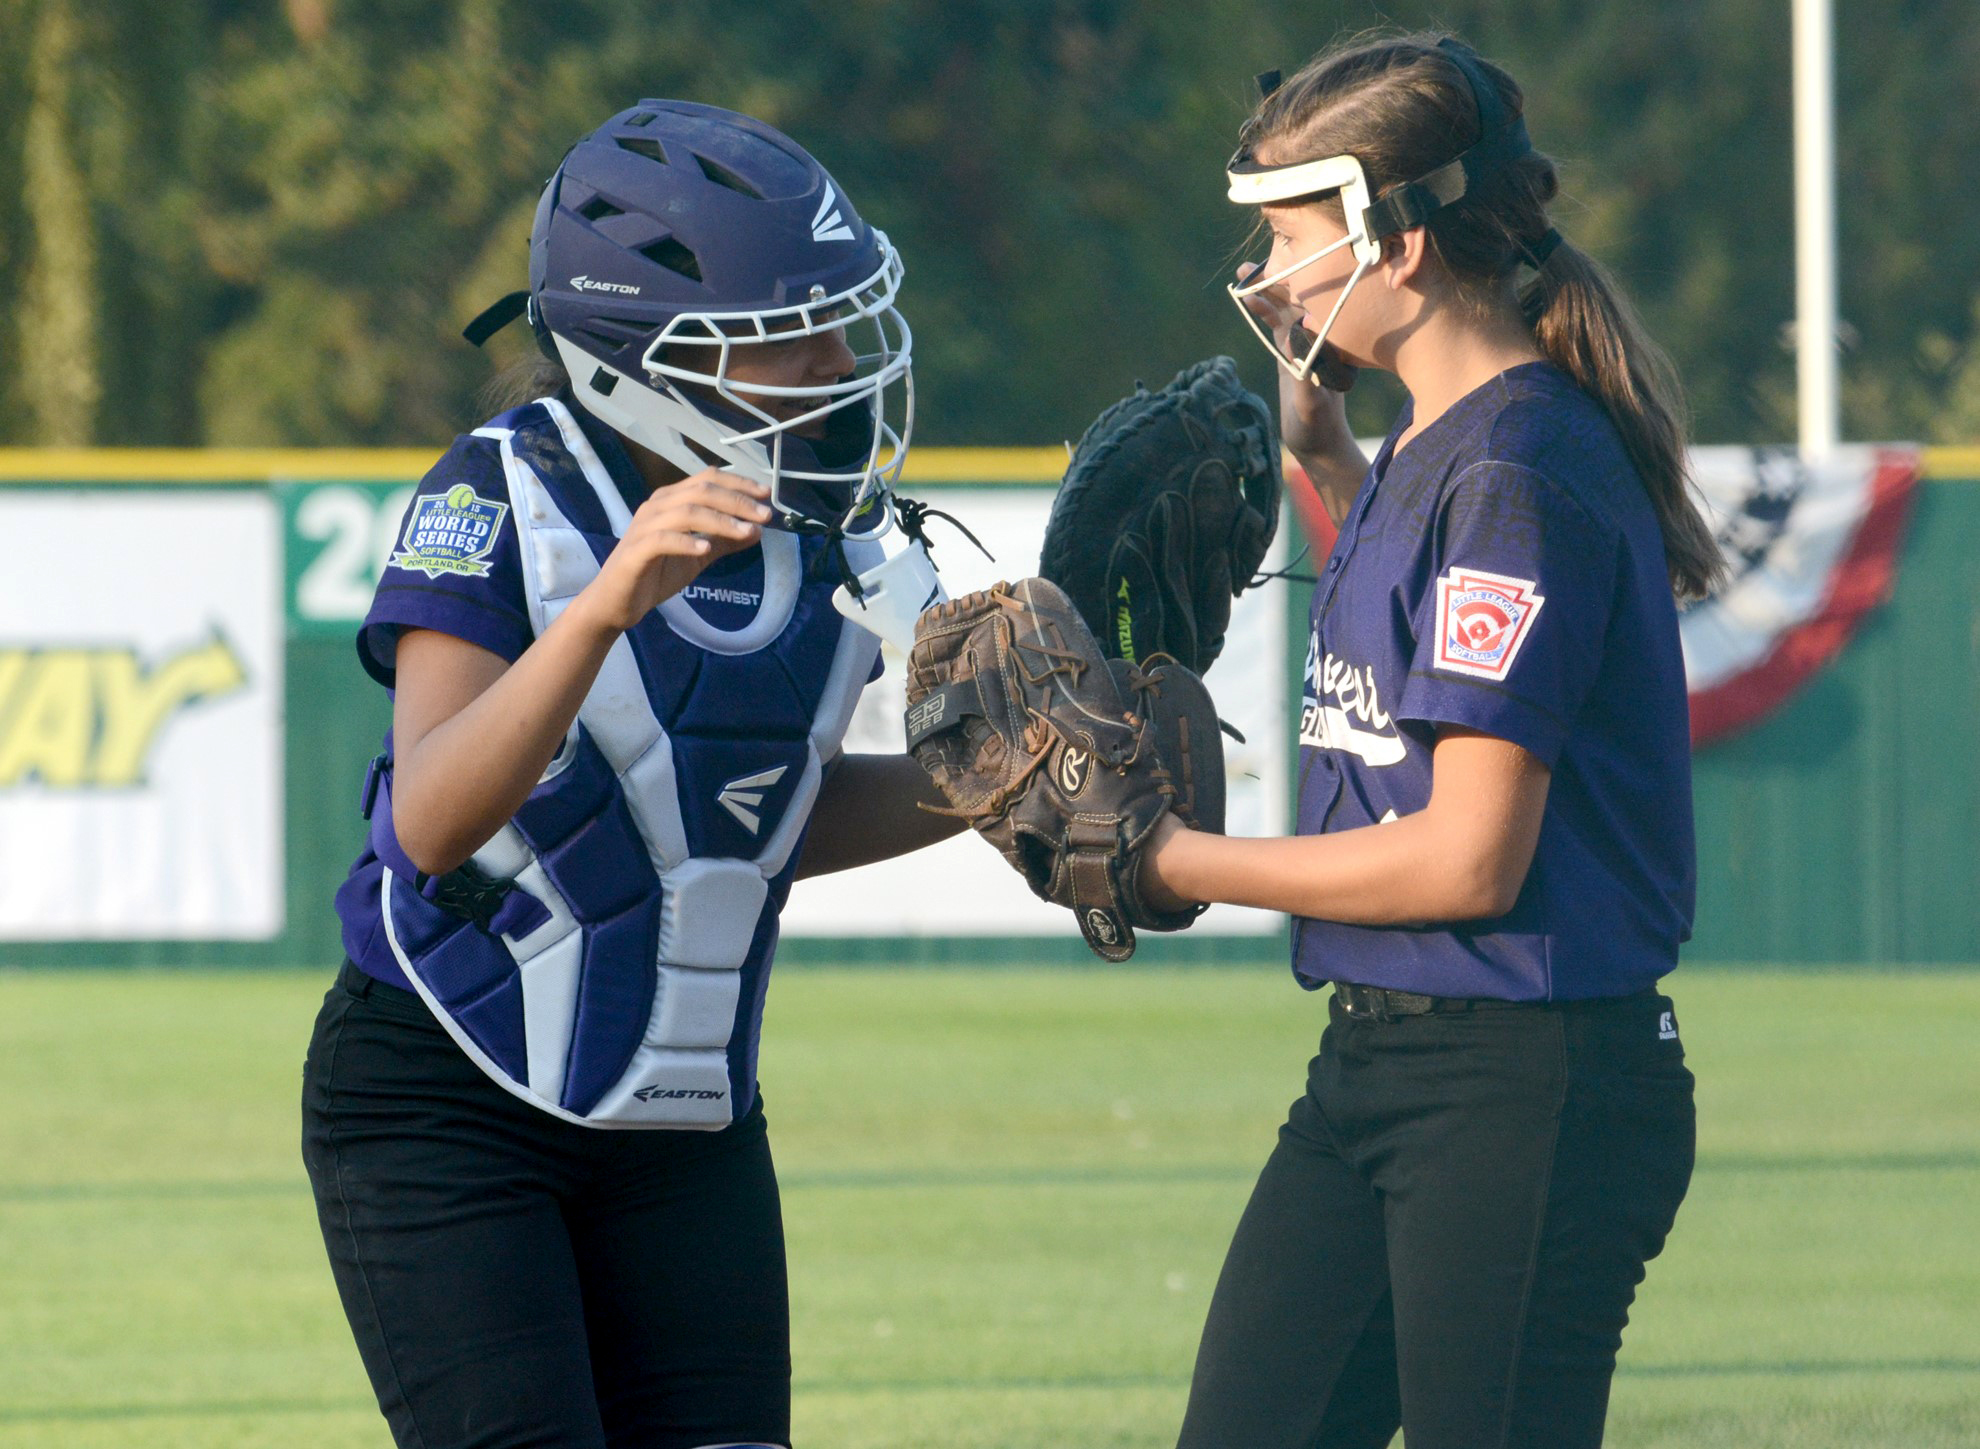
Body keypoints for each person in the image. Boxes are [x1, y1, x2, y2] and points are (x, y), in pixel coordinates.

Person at [300, 99, 962, 1449]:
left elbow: (739, 816)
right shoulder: (502, 494)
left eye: (842, 318)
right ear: (653, 362)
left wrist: (985, 788)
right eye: (789, 336)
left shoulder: (820, 516)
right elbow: (429, 820)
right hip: (446, 1097)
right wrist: (602, 607)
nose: (840, 360)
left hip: (684, 1111)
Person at [1131, 33, 1727, 1449]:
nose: (1266, 271)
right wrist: (1330, 456)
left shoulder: (1516, 470)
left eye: (1287, 233)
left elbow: (1468, 859)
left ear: (1396, 246)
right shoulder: (1430, 446)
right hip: (1389, 1067)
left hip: (1524, 1083)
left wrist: (1179, 858)